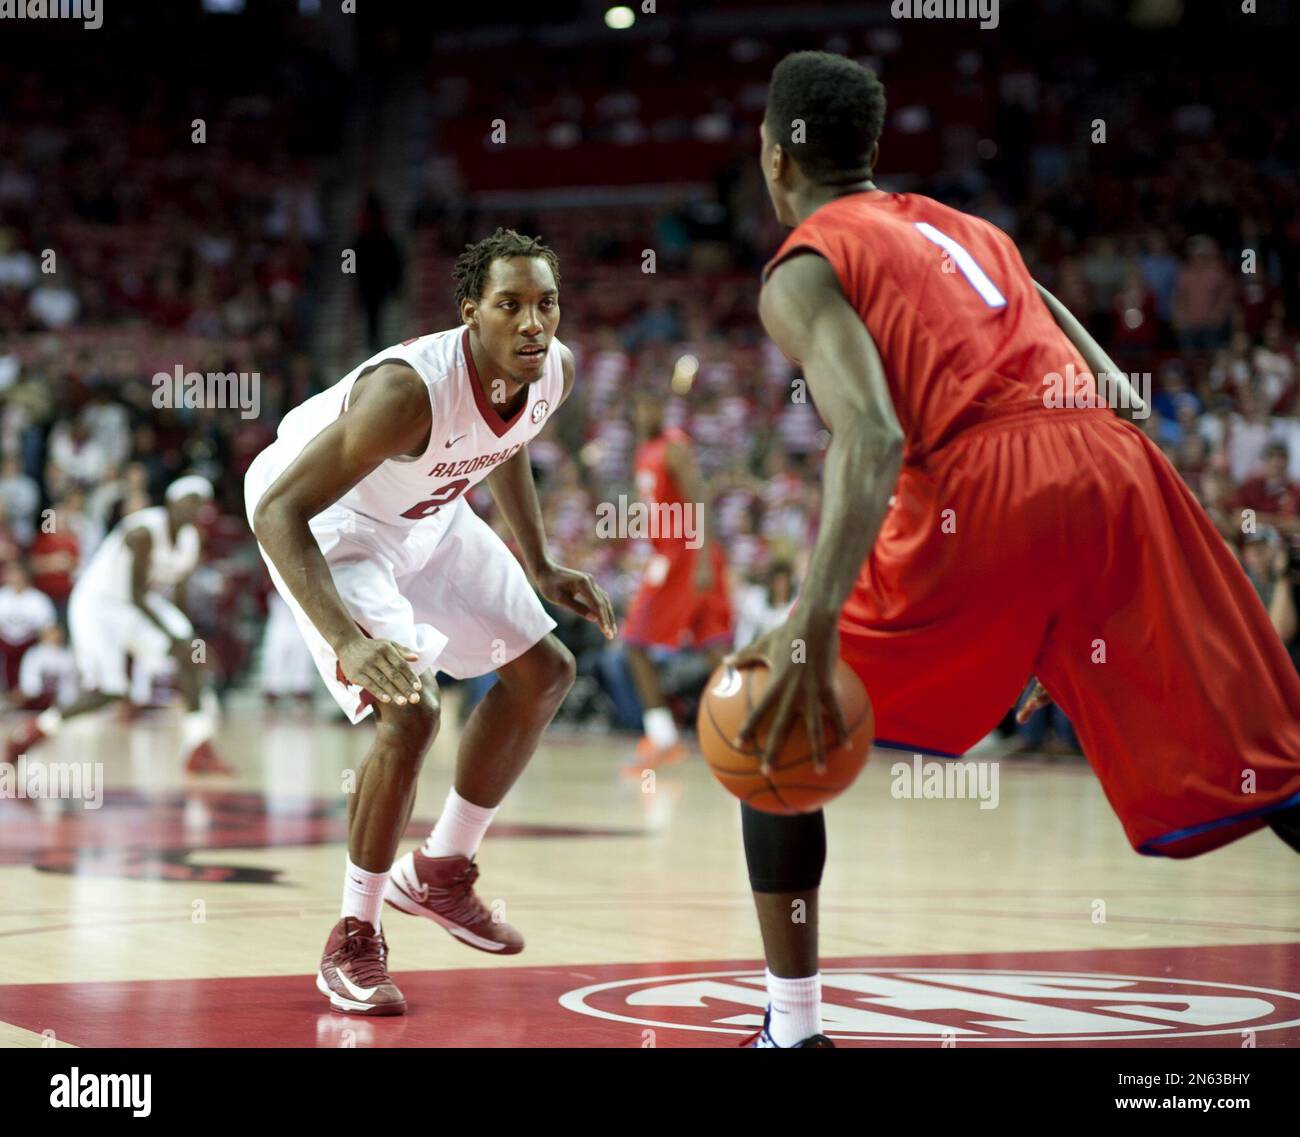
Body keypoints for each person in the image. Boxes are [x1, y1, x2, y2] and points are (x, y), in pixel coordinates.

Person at [728, 51, 1300, 1049]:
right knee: (1276, 762)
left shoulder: (808, 264)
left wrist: (810, 634)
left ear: (776, 159)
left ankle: (791, 1031)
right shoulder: (975, 231)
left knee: (771, 733)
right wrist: (1051, 609)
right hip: (1119, 472)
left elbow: (870, 437)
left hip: (988, 482)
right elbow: (1116, 391)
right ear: (868, 148)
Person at [245, 228, 615, 1017]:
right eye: (509, 306)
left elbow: (504, 440)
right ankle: (353, 933)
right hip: (329, 523)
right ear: (468, 314)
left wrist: (540, 562)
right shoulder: (407, 392)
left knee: (546, 670)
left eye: (545, 304)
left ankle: (442, 869)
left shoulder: (553, 369)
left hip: (426, 513)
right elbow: (280, 511)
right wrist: (349, 639)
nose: (532, 324)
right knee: (411, 711)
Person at [5, 476, 229, 774]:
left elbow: (178, 594)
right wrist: (172, 638)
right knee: (108, 692)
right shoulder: (143, 531)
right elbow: (135, 593)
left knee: (189, 658)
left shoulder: (190, 542)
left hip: (136, 605)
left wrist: (187, 638)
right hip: (98, 604)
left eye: (201, 505)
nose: (196, 511)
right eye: (191, 503)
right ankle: (33, 731)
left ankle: (199, 747)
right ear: (172, 503)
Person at [622, 390, 733, 768]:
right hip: (672, 557)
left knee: (634, 641)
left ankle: (662, 736)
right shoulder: (644, 451)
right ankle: (756, 723)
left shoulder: (675, 447)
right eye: (641, 404)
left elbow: (700, 499)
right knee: (713, 648)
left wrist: (703, 560)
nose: (647, 411)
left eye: (653, 404)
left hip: (686, 558)